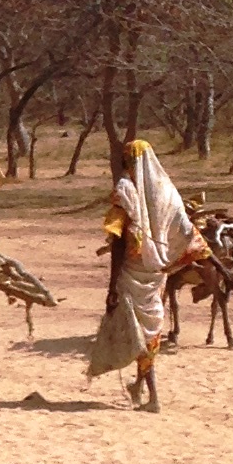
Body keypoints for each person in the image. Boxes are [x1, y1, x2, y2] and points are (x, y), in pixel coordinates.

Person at [85, 140, 204, 413]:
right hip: (155, 273)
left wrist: (112, 285)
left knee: (139, 332)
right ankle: (140, 388)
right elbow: (187, 233)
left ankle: (153, 396)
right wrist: (167, 259)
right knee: (151, 329)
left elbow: (117, 239)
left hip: (132, 270)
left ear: (127, 161)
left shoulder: (126, 190)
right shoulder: (167, 192)